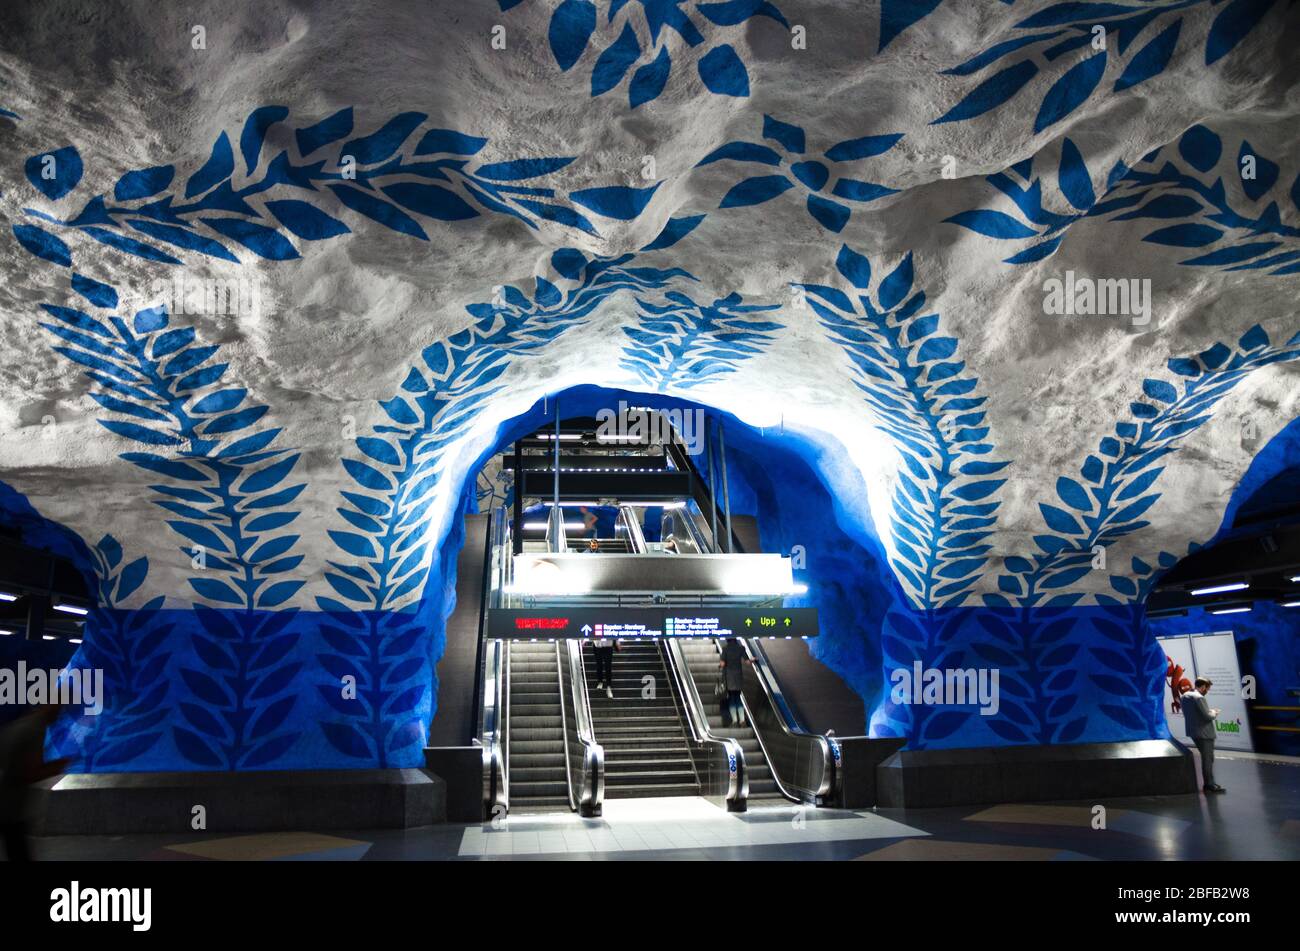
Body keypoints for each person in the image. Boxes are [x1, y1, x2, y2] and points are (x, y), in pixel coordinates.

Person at [1, 704, 69, 861]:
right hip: (11, 809)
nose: (59, 715)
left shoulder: (22, 724)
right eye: (58, 709)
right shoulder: (35, 728)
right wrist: (58, 767)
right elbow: (29, 773)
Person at [1180, 676, 1225, 794]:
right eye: (1207, 688)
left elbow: (1192, 713)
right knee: (1208, 759)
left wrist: (1208, 712)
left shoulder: (1185, 696)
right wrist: (1214, 712)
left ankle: (1209, 783)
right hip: (1205, 733)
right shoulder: (1199, 698)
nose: (1207, 691)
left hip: (1193, 731)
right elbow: (1207, 716)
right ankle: (1209, 784)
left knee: (1207, 758)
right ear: (1203, 686)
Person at [718, 637, 753, 727]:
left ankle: (734, 720)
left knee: (731, 698)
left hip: (729, 677)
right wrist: (754, 659)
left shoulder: (725, 649)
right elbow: (748, 662)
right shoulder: (741, 648)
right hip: (738, 677)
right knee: (738, 697)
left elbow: (722, 664)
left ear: (727, 640)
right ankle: (742, 720)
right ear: (735, 640)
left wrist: (720, 666)